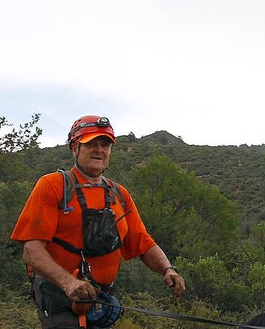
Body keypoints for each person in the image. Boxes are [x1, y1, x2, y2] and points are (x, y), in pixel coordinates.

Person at [12, 115, 186, 328]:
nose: (99, 150)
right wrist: (68, 283)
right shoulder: (53, 186)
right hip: (58, 293)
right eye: (90, 144)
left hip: (100, 297)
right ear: (74, 148)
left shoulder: (119, 194)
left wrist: (168, 269)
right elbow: (32, 251)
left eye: (105, 145)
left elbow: (142, 242)